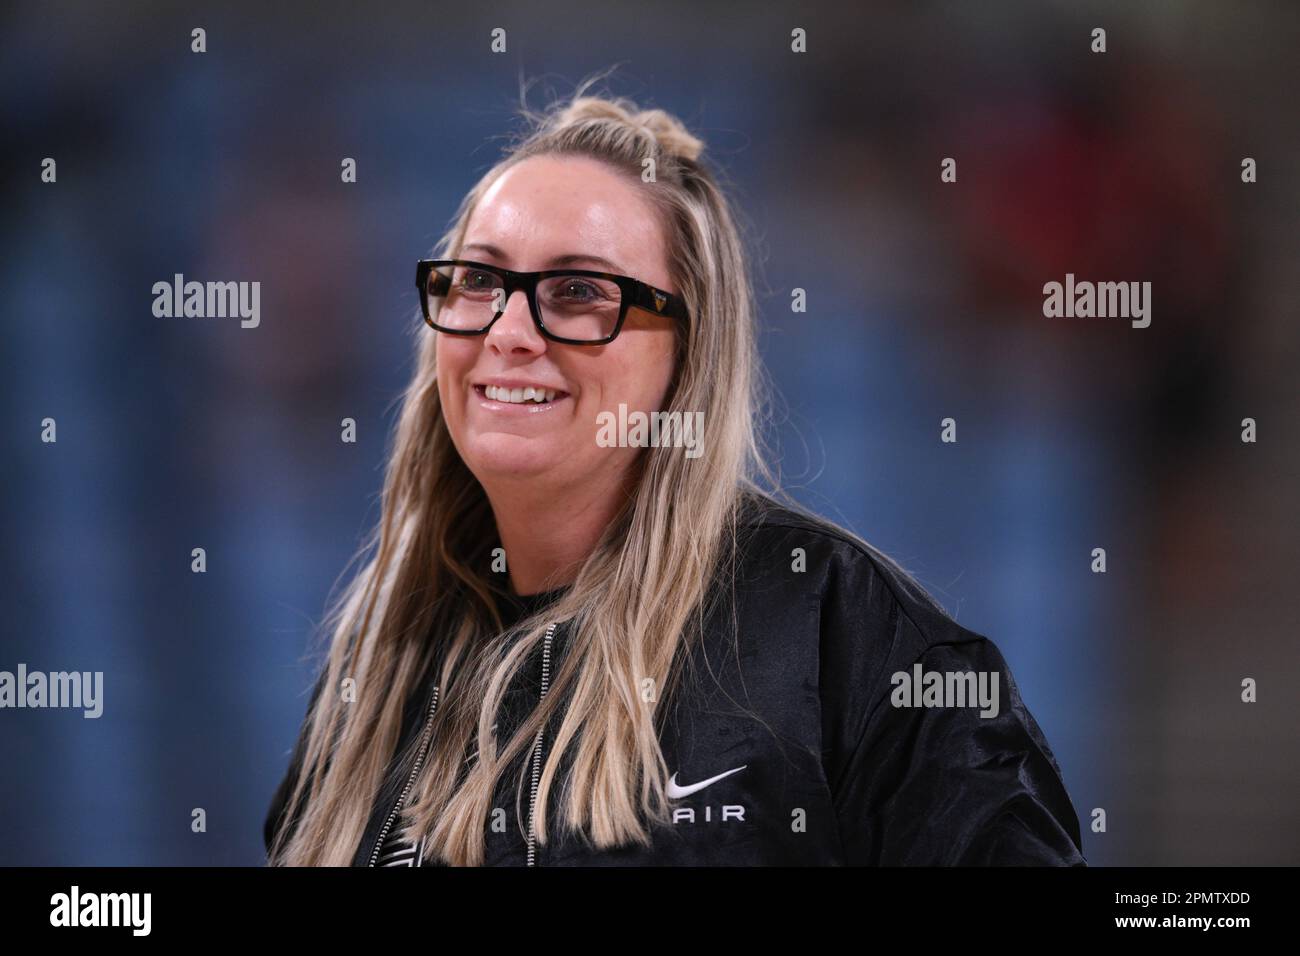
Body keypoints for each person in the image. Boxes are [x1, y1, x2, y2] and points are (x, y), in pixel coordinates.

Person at [263, 81, 1086, 867]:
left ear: (687, 358)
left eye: (579, 290)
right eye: (480, 279)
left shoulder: (845, 634)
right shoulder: (377, 671)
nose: (510, 330)